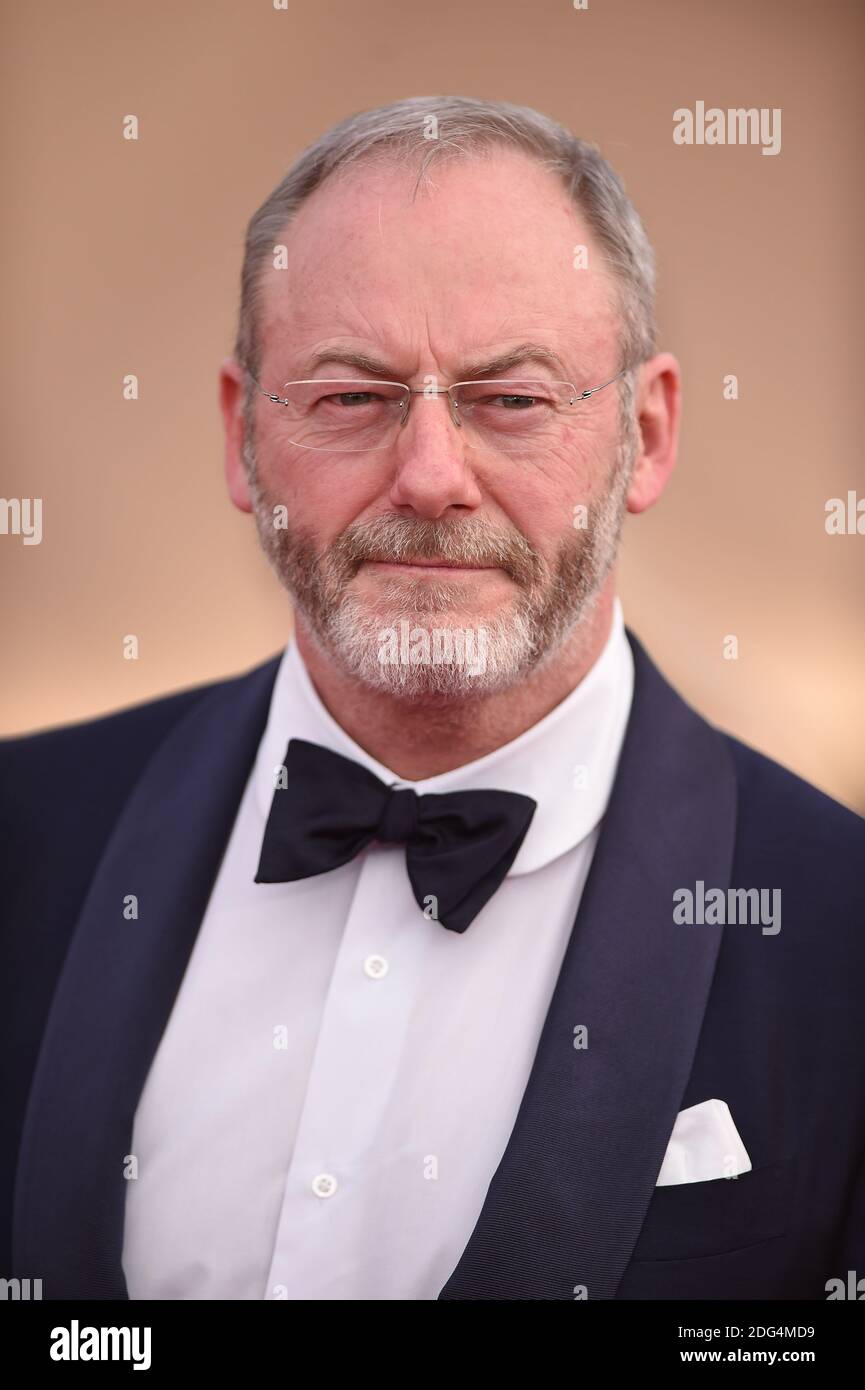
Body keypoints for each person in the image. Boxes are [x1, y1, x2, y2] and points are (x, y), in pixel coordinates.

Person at [3, 95, 864, 1302]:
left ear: (647, 432)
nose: (429, 475)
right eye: (349, 395)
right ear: (244, 436)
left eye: (510, 397)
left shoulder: (842, 929)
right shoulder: (21, 833)